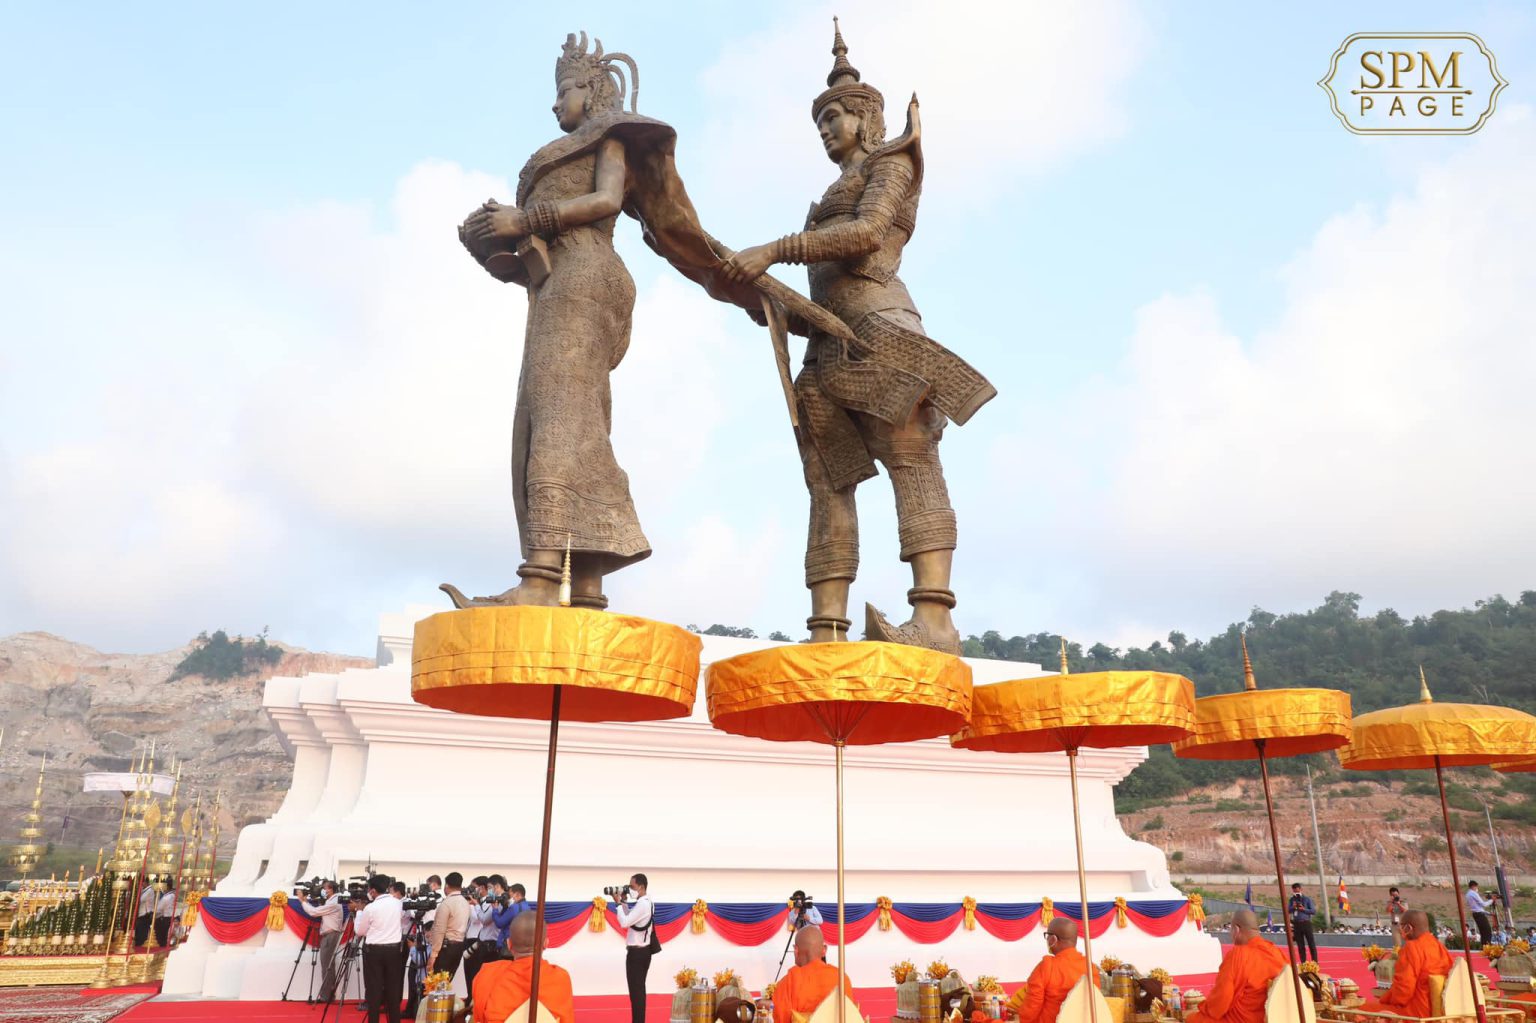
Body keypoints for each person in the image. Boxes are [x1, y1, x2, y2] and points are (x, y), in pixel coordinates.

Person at [717, 20, 994, 654]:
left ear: (868, 119)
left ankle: (934, 618)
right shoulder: (824, 195)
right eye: (819, 120)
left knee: (910, 456)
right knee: (827, 478)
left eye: (835, 116)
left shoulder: (891, 166)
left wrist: (776, 250)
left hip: (879, 328)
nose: (824, 128)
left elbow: (867, 235)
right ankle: (827, 625)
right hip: (825, 340)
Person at [450, 32, 670, 612]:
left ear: (592, 90)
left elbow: (605, 202)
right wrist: (492, 236)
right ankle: (589, 579)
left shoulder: (610, 137)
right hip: (555, 280)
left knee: (559, 410)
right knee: (570, 414)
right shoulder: (568, 146)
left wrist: (527, 216)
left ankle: (543, 577)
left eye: (565, 91)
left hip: (586, 275)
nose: (556, 105)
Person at [1183, 910, 1287, 1023]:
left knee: (1192, 1019)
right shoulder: (1277, 953)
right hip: (1272, 1018)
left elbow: (1219, 1004)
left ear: (1236, 930)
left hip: (1241, 1020)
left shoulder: (1237, 955)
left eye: (1230, 930)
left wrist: (1202, 1008)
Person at [473, 912, 575, 1023]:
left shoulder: (488, 974)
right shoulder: (561, 978)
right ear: (545, 943)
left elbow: (479, 1018)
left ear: (509, 944)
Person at [1367, 911, 1452, 1017]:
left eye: (1401, 926)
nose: (1399, 929)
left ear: (1409, 928)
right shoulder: (1440, 947)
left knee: (1362, 1010)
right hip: (1441, 1011)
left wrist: (1384, 999)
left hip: (1416, 1011)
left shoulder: (1412, 947)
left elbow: (1402, 992)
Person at [1005, 919, 1088, 1023]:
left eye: (1047, 935)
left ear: (1053, 939)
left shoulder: (1047, 966)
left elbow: (1032, 1008)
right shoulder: (1090, 968)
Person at [773, 926, 853, 1023]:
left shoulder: (788, 982)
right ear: (824, 950)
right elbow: (850, 1016)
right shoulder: (842, 979)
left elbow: (781, 1019)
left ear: (796, 950)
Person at [355, 875, 406, 1023]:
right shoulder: (397, 904)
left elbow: (360, 931)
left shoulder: (370, 908)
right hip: (394, 951)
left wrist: (359, 912)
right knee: (393, 988)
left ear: (372, 890)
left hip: (375, 952)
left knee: (374, 990)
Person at [615, 873, 655, 1023]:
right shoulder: (645, 902)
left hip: (637, 954)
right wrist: (623, 903)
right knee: (636, 994)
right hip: (641, 953)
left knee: (637, 994)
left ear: (641, 887)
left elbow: (624, 922)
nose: (630, 889)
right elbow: (631, 919)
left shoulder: (644, 904)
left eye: (632, 886)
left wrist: (619, 904)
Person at [429, 872, 472, 982]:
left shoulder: (447, 903)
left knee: (437, 984)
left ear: (446, 886)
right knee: (447, 983)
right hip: (459, 947)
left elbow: (439, 930)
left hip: (445, 948)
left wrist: (433, 955)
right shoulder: (465, 903)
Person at [311, 881, 346, 1004]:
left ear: (331, 890)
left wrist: (303, 901)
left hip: (330, 935)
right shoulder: (331, 901)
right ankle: (329, 995)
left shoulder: (334, 902)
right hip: (329, 935)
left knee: (327, 966)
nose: (323, 890)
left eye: (324, 888)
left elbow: (313, 912)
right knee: (328, 966)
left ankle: (326, 996)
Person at [465, 876, 497, 995]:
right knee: (468, 973)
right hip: (473, 939)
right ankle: (470, 998)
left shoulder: (488, 902)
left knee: (475, 973)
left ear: (482, 888)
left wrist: (474, 905)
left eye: (474, 887)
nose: (472, 890)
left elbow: (478, 919)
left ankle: (475, 999)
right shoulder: (481, 901)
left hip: (480, 940)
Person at [1287, 883, 1318, 963]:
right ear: (1293, 890)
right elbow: (1287, 911)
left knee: (1311, 944)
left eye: (1297, 890)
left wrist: (1304, 909)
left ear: (1300, 889)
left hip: (1306, 923)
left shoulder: (1307, 899)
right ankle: (1303, 963)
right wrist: (1292, 907)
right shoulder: (1291, 900)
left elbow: (1313, 911)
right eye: (1294, 891)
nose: (1296, 892)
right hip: (1297, 924)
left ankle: (1315, 962)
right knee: (1300, 945)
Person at [1465, 881, 1495, 948]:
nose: (1477, 888)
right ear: (1473, 886)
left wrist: (1488, 913)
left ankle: (1484, 946)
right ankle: (1487, 947)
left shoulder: (1467, 894)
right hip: (1479, 914)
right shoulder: (1473, 893)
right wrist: (1492, 900)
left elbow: (1477, 907)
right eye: (1476, 887)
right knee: (1487, 930)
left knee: (1483, 931)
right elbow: (1483, 904)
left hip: (1476, 914)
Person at [154, 879, 178, 947]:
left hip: (165, 917)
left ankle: (161, 946)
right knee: (164, 935)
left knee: (161, 935)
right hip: (169, 916)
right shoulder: (172, 895)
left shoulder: (167, 897)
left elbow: (159, 908)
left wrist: (154, 912)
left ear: (167, 887)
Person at [134, 881, 156, 946]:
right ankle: (139, 942)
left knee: (142, 930)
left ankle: (141, 943)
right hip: (142, 913)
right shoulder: (145, 890)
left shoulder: (149, 890)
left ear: (146, 882)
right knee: (139, 929)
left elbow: (141, 899)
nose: (141, 885)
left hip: (145, 913)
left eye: (142, 883)